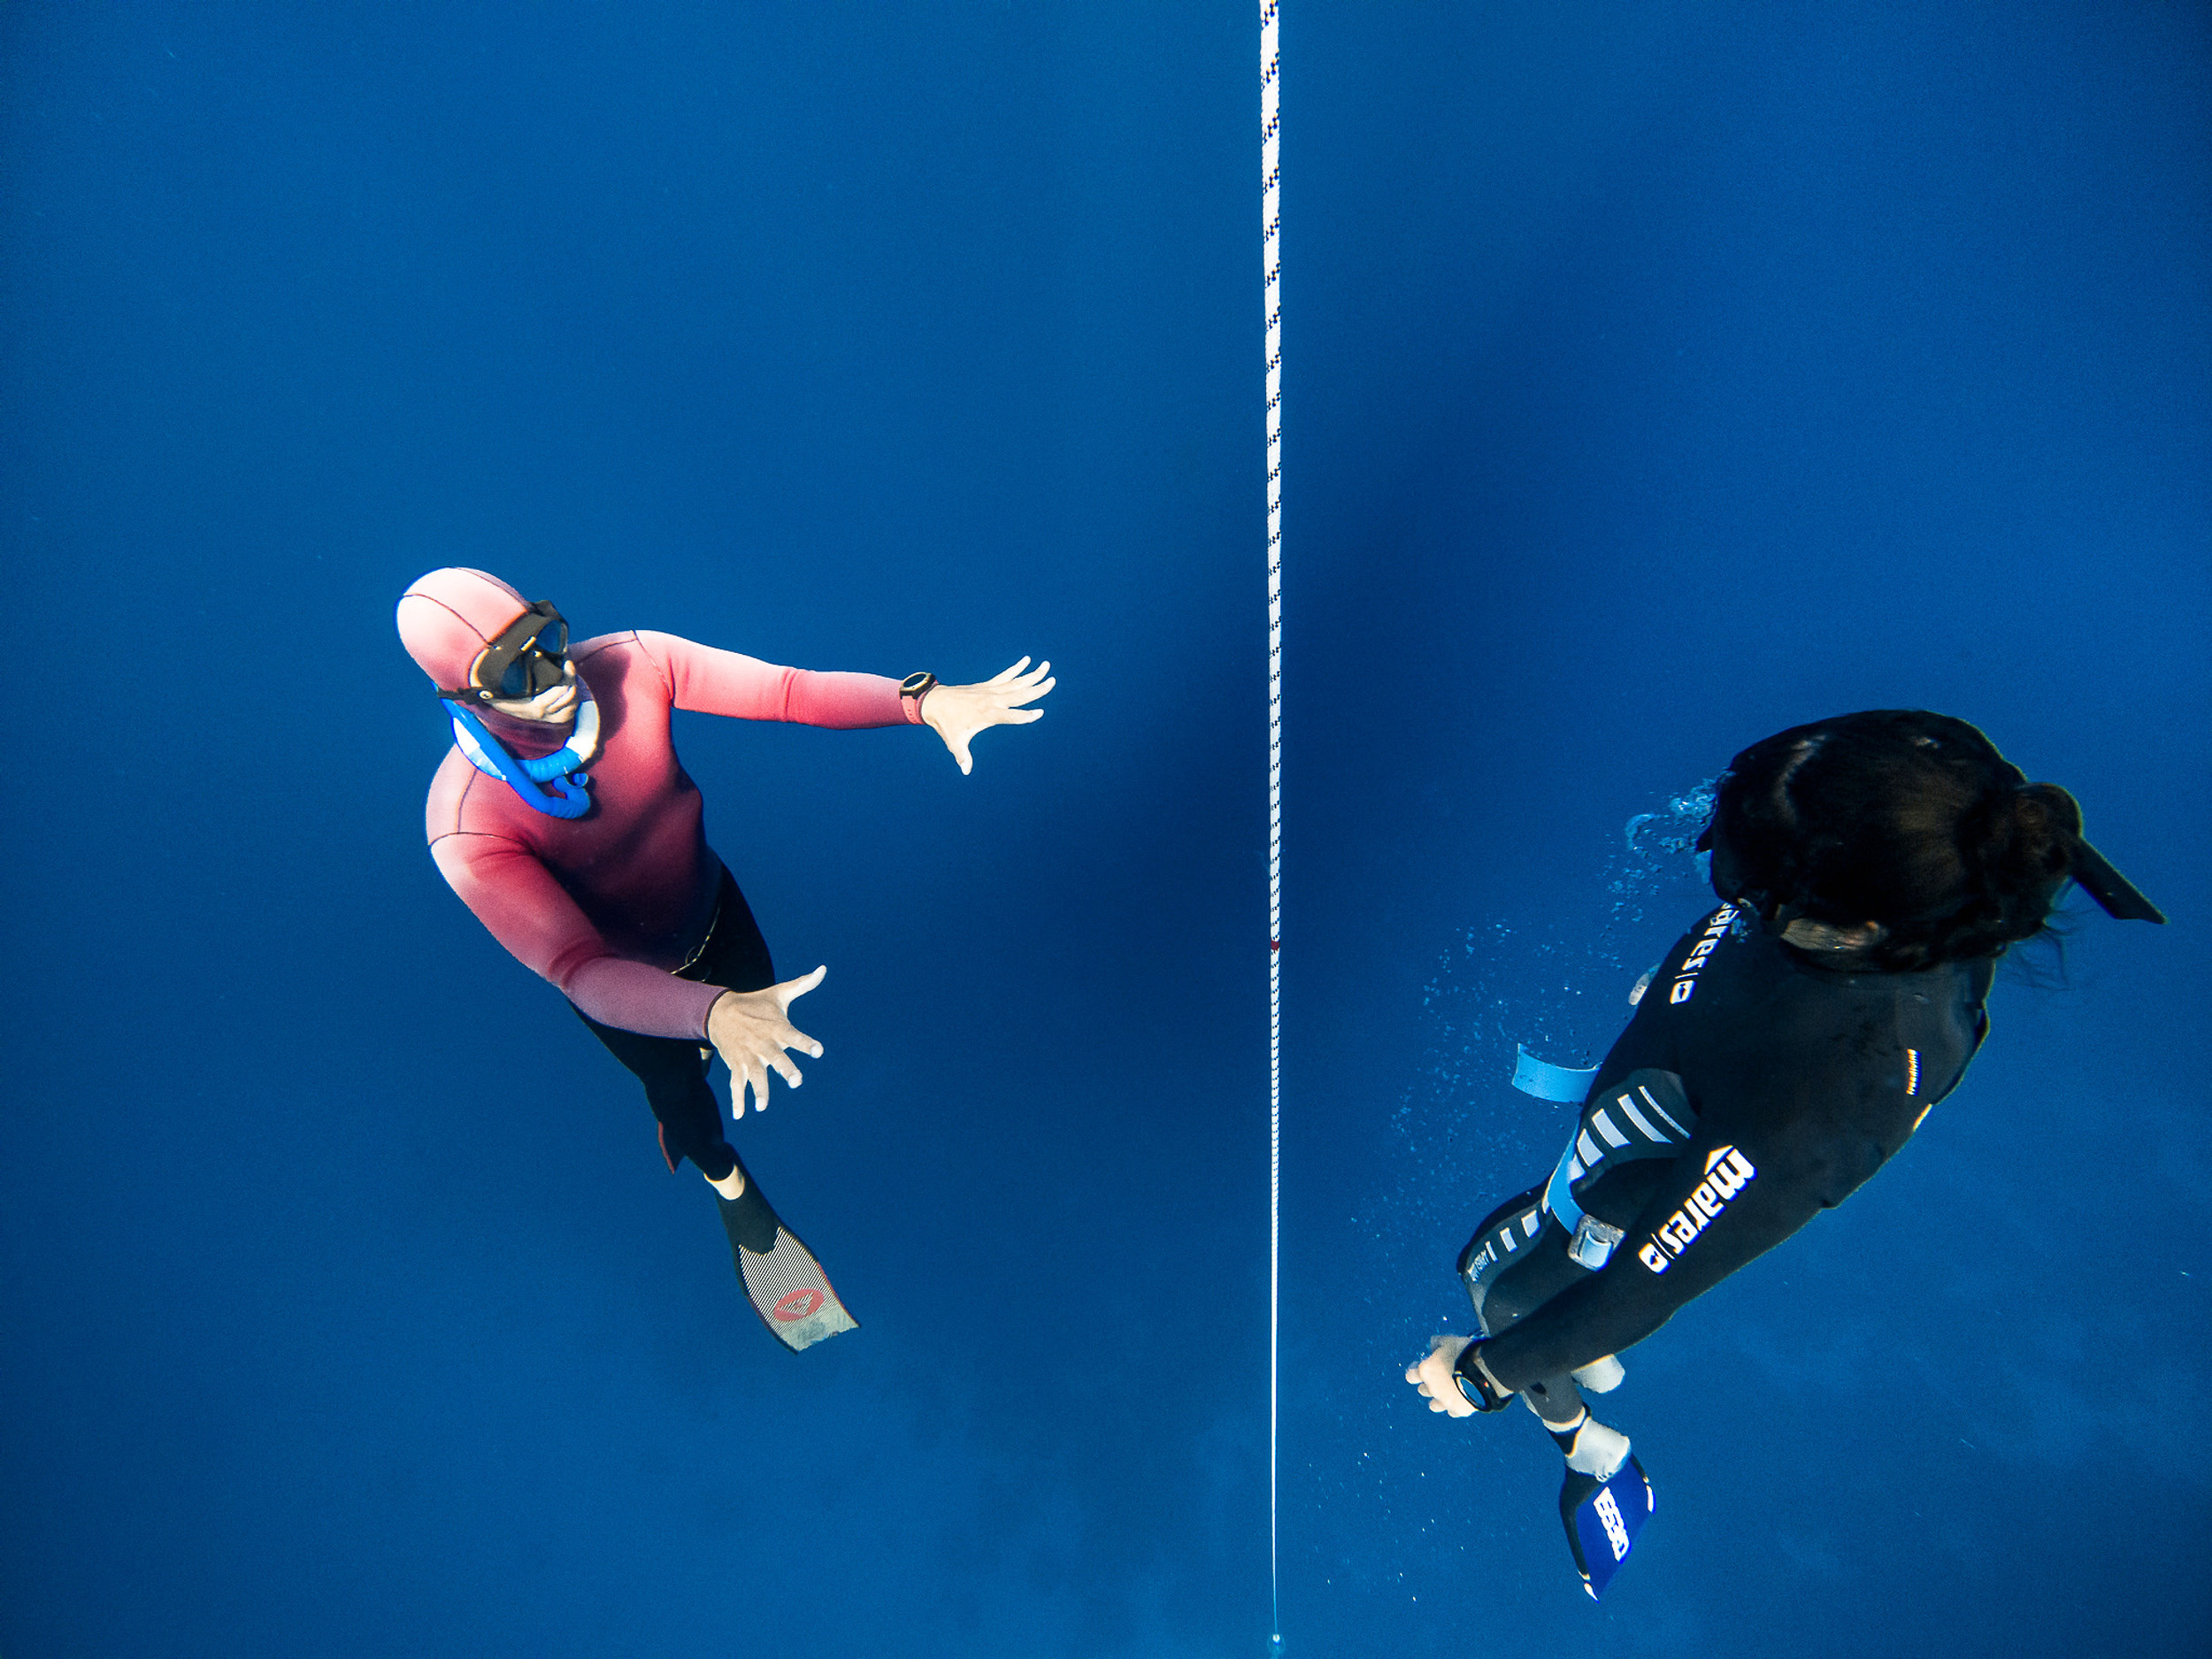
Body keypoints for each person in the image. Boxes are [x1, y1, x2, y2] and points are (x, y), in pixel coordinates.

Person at [1402, 710, 2163, 1593]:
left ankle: (1592, 1448)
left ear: (1841, 920)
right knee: (1553, 1287)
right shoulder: (1945, 791)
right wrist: (1704, 996)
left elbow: (1654, 1279)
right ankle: (1578, 1354)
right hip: (1708, 1067)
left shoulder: (1818, 1100)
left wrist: (1480, 1375)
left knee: (1496, 1282)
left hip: (1669, 1148)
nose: (1723, 875)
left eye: (1752, 884)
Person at [396, 567, 1051, 1347]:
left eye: (548, 637)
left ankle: (726, 1043)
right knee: (684, 1097)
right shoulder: (467, 824)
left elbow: (788, 691)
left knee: (757, 1015)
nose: (556, 673)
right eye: (514, 669)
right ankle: (726, 1182)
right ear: (466, 699)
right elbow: (575, 966)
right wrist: (705, 1012)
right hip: (629, 991)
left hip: (719, 919)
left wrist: (920, 700)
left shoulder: (636, 661)